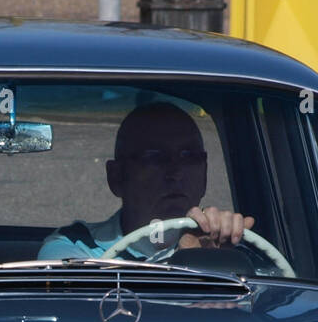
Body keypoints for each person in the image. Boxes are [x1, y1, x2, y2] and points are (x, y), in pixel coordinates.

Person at [38, 101, 254, 261]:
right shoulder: (77, 247)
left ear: (205, 173)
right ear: (117, 177)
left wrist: (218, 258)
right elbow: (80, 311)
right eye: (154, 158)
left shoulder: (237, 249)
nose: (175, 172)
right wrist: (184, 259)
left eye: (189, 157)